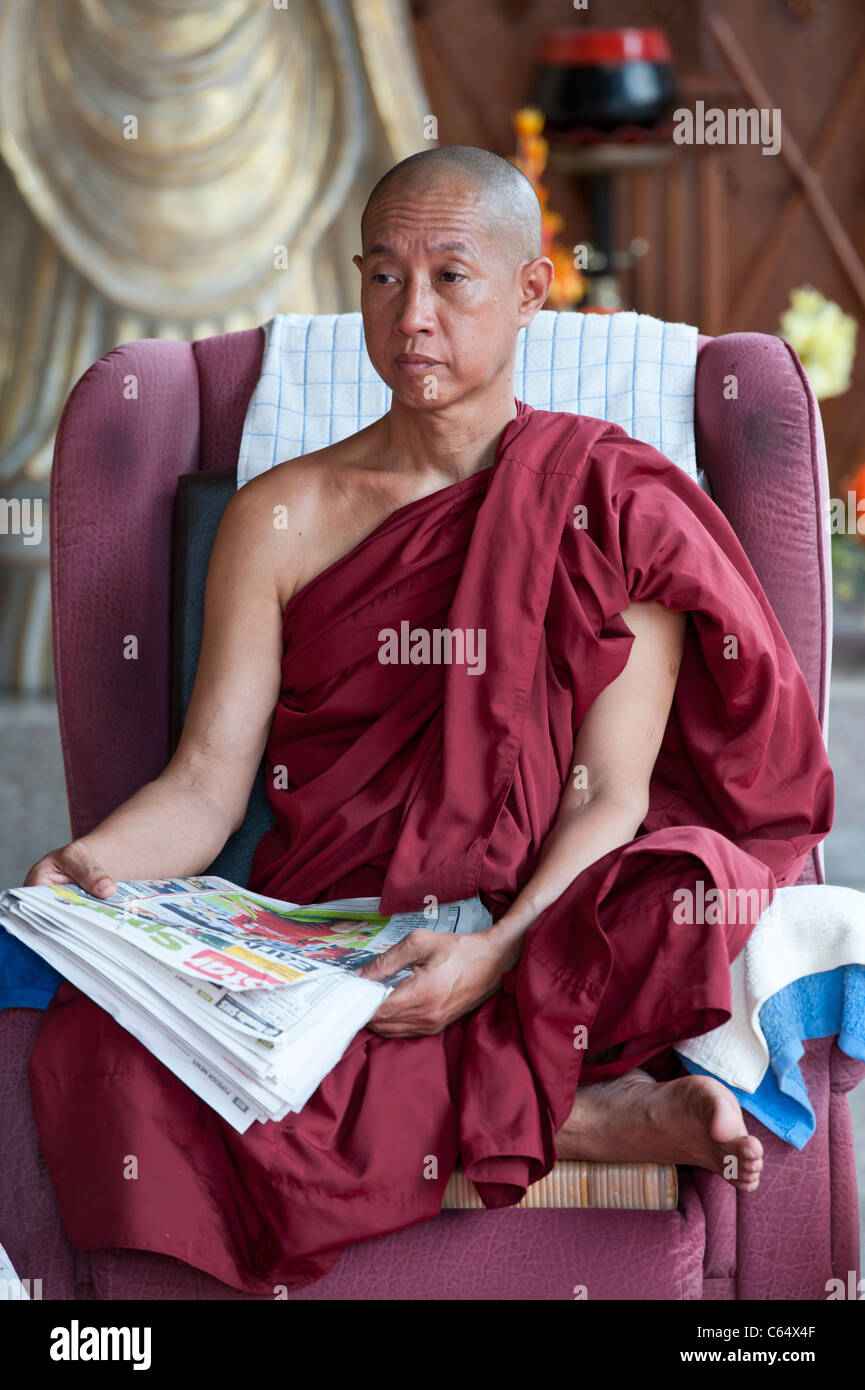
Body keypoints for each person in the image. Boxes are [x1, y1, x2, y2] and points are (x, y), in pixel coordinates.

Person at [25, 146, 833, 1295]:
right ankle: (571, 1115)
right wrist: (88, 866)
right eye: (383, 278)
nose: (411, 317)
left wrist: (495, 955)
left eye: (451, 278)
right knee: (105, 1039)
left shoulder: (609, 500)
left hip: (544, 924)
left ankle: (514, 1079)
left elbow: (610, 793)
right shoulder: (284, 515)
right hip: (342, 927)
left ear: (528, 291)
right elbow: (208, 786)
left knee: (690, 889)